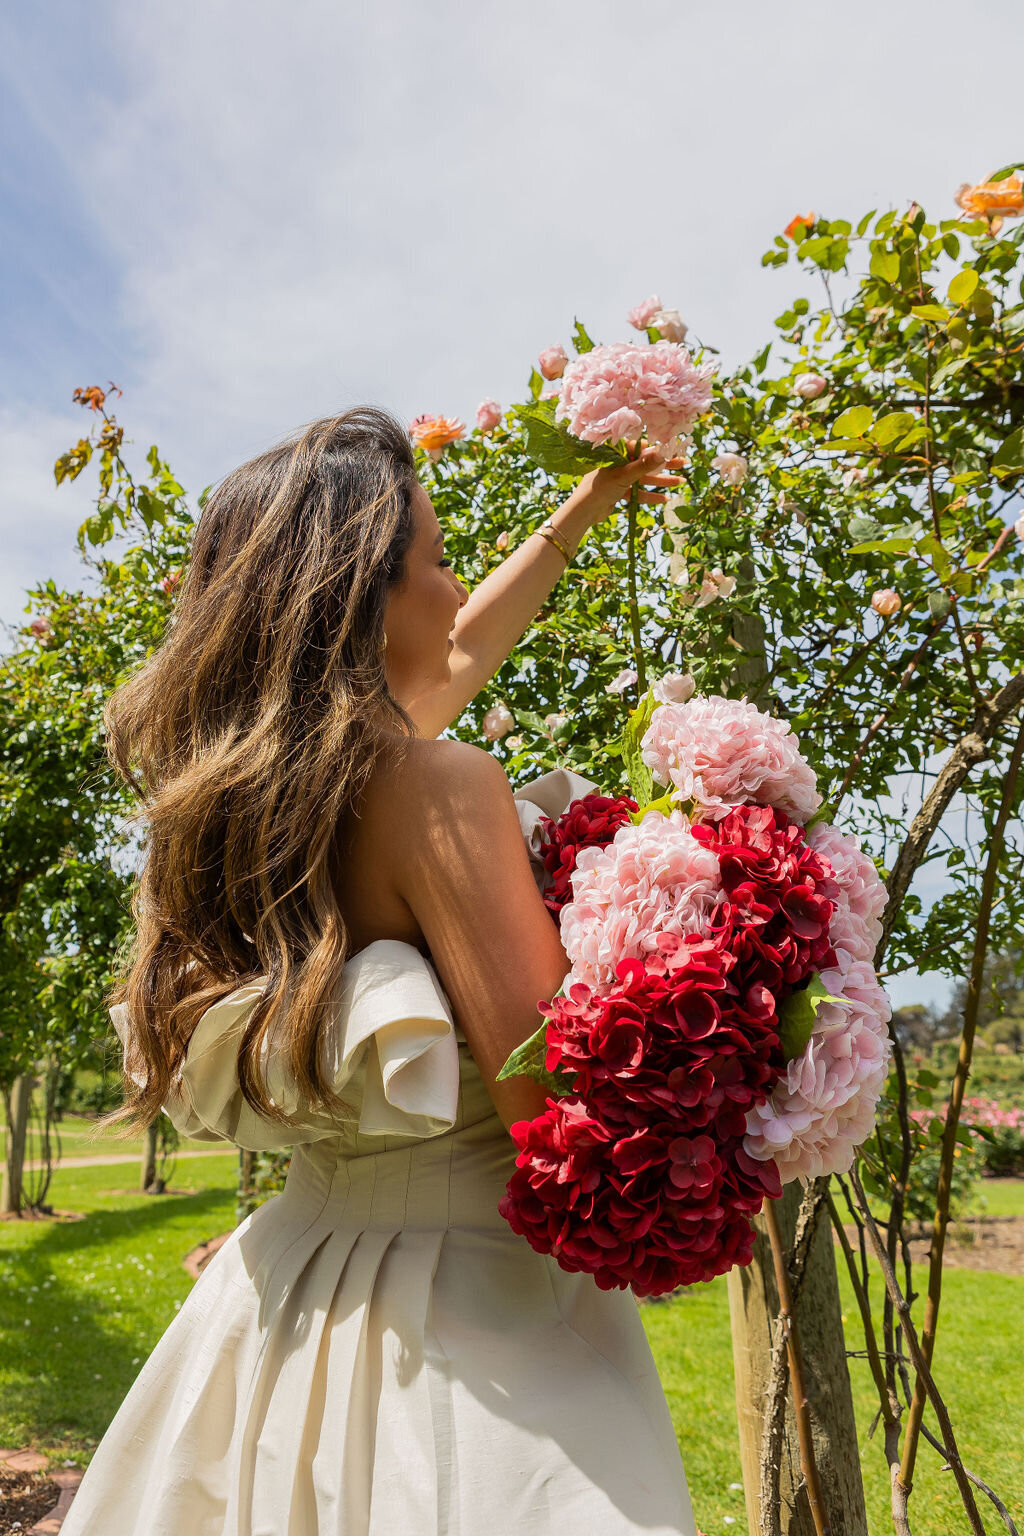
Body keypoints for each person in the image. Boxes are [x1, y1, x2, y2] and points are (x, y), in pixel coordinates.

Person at [60, 406, 698, 1535]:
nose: (455, 594)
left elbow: (458, 648)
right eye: (437, 563)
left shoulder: (239, 810)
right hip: (469, 1324)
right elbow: (550, 1109)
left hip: (289, 1287)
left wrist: (580, 511)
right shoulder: (435, 786)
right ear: (359, 598)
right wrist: (725, 1035)